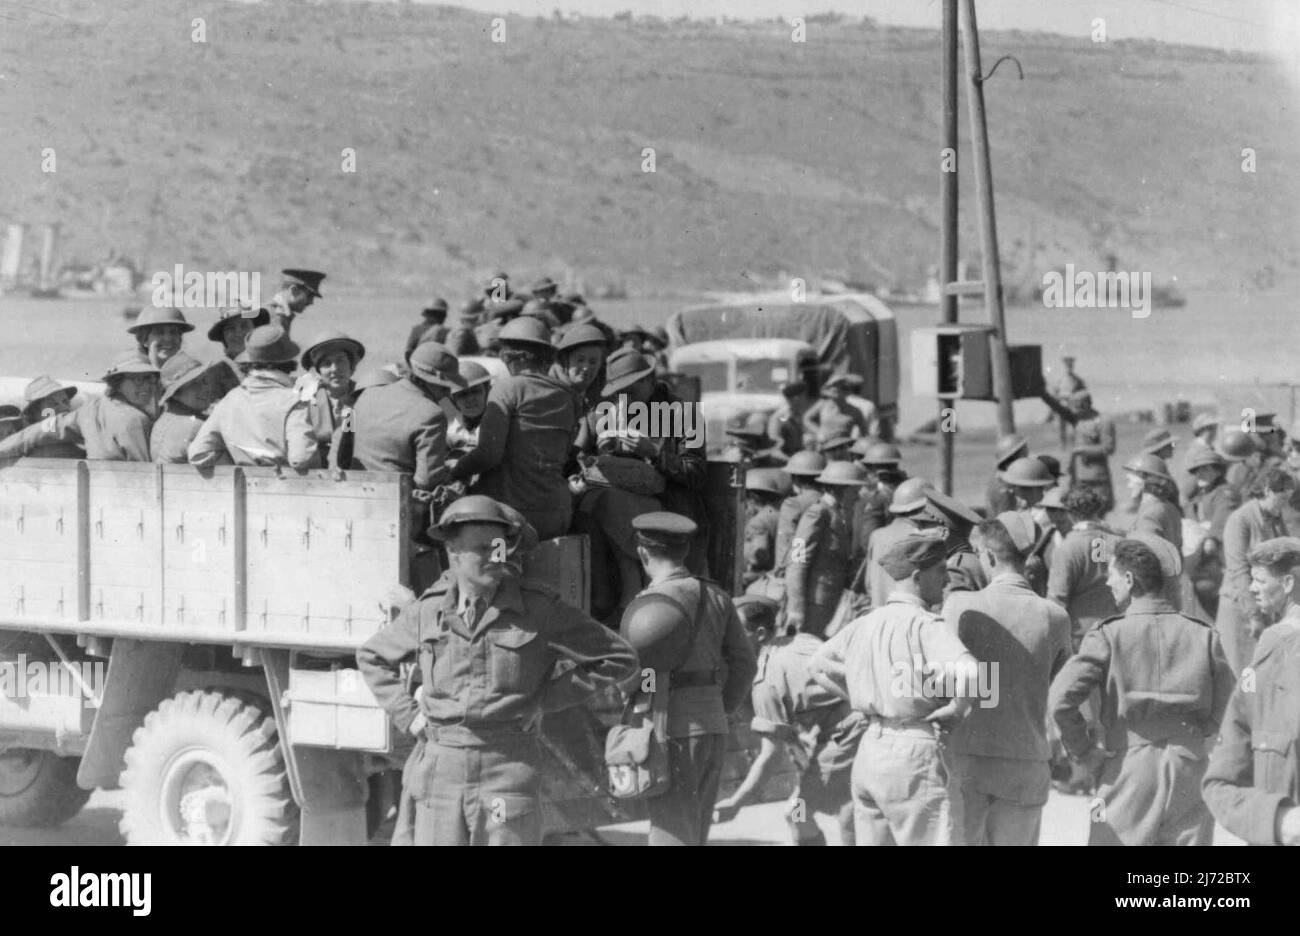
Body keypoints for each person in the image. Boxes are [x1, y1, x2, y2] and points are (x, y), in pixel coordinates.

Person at [357, 495, 638, 846]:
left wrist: (544, 701)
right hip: (440, 771)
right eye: (483, 549)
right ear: (454, 554)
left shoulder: (538, 608)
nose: (496, 557)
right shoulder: (428, 611)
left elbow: (618, 657)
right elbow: (372, 656)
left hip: (506, 771)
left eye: (500, 548)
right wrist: (408, 716)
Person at [1050, 537, 1234, 846]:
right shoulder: (1204, 635)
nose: (1108, 582)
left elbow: (1059, 700)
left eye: (1111, 574)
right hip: (1190, 764)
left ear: (1129, 579)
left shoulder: (1108, 634)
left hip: (1127, 766)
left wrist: (1083, 752)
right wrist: (1200, 734)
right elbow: (1229, 699)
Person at [809, 531, 979, 846]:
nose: (945, 580)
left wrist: (860, 698)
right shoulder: (926, 625)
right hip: (914, 750)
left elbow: (817, 665)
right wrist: (958, 707)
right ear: (917, 576)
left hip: (871, 748)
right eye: (940, 571)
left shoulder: (865, 622)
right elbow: (971, 671)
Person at [619, 512, 757, 846]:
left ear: (643, 553)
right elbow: (745, 664)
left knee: (671, 833)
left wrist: (635, 690)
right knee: (694, 831)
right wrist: (719, 709)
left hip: (670, 728)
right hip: (711, 725)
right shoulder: (717, 596)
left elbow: (641, 676)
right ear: (684, 552)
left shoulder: (647, 606)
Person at [941, 514, 1072, 845]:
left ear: (986, 555)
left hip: (967, 757)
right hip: (1026, 759)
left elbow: (940, 684)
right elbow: (1064, 693)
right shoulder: (1054, 617)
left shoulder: (958, 606)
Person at [713, 595, 865, 845]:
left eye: (733, 632)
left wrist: (736, 802)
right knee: (849, 809)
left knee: (797, 811)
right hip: (864, 722)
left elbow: (770, 755)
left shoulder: (767, 679)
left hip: (850, 732)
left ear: (760, 634)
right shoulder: (801, 640)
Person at [1202, 537, 1300, 845]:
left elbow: (1226, 768)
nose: (1252, 588)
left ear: (1287, 583)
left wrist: (1277, 819)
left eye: (1259, 580)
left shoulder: (1276, 643)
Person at [450, 317, 578, 540]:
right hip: (558, 515)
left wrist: (452, 471)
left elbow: (488, 455)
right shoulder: (567, 395)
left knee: (460, 531)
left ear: (511, 357)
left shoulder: (507, 388)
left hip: (514, 516)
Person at [352, 341, 464, 592]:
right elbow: (428, 480)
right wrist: (452, 470)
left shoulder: (368, 395)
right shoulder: (431, 413)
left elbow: (344, 440)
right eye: (445, 385)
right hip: (401, 513)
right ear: (430, 381)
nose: (447, 394)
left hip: (358, 502)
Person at [188, 325, 319, 470]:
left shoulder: (230, 399)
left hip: (241, 487)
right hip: (283, 488)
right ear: (288, 361)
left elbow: (198, 454)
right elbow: (301, 459)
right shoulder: (293, 400)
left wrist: (239, 463)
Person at [0, 351, 160, 462]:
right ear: (117, 382)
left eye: (149, 378)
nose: (146, 386)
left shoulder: (89, 411)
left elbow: (37, 432)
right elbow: (146, 476)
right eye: (137, 380)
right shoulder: (136, 420)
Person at [1216, 469, 1296, 674]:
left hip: (1266, 605)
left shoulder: (1274, 517)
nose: (1284, 505)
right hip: (1241, 609)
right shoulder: (1240, 520)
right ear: (1268, 491)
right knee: (1246, 674)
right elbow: (1238, 571)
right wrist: (1254, 616)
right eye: (1282, 499)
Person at [785, 462, 868, 637]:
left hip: (833, 603)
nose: (859, 496)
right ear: (841, 490)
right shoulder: (818, 513)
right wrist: (796, 608)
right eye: (855, 490)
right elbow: (797, 562)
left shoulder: (840, 514)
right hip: (814, 604)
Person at [1047, 486, 1122, 651]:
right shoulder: (1113, 541)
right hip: (1114, 626)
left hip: (1080, 634)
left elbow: (1057, 599)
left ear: (1069, 513)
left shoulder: (1067, 548)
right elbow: (1099, 564)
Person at [861, 477, 937, 608]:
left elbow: (869, 584)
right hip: (911, 619)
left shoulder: (877, 536)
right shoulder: (923, 539)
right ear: (924, 510)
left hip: (878, 618)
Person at [150, 353, 240, 463]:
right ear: (177, 393)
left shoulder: (161, 421)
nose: (205, 388)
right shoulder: (198, 427)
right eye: (194, 384)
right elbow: (229, 471)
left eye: (204, 381)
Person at [1183, 448, 1240, 618]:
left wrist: (1208, 535)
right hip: (1199, 558)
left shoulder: (1225, 493)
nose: (1200, 474)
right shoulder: (1202, 493)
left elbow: (1219, 527)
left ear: (1217, 470)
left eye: (1206, 469)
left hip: (1218, 559)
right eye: (1197, 470)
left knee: (1209, 594)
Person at [298, 330, 365, 469]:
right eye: (327, 363)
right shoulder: (306, 400)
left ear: (351, 366)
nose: (334, 369)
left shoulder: (364, 397)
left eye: (340, 361)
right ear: (319, 371)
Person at [1124, 453, 1182, 549]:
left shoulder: (1149, 515)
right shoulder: (1169, 506)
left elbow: (1145, 553)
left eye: (1131, 480)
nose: (1129, 486)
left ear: (1145, 481)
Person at [549, 322, 609, 413]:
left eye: (593, 362)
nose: (586, 367)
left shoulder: (601, 398)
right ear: (565, 361)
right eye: (580, 360)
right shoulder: (549, 394)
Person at [19, 376, 83, 458]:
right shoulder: (25, 452)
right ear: (34, 413)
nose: (64, 408)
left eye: (65, 401)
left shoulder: (84, 441)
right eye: (53, 404)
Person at [802, 374, 871, 450]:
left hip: (844, 448)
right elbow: (806, 418)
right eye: (834, 386)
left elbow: (865, 434)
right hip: (824, 446)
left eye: (841, 387)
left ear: (846, 391)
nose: (836, 390)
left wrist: (859, 446)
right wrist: (818, 432)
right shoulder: (823, 404)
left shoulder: (855, 411)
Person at [742, 469, 785, 587]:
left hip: (762, 580)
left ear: (751, 497)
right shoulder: (778, 514)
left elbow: (759, 554)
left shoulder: (758, 521)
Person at [446, 360, 494, 457]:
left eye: (475, 391)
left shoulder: (500, 426)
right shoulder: (449, 431)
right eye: (462, 394)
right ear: (453, 400)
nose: (470, 399)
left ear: (487, 391)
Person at [128, 306, 193, 369]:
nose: (168, 338)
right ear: (143, 339)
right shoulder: (133, 372)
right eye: (159, 332)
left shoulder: (191, 370)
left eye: (173, 332)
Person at [1177, 413, 1220, 500]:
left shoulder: (1207, 448)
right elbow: (1189, 486)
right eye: (1211, 428)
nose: (1215, 432)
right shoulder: (1196, 451)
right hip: (1196, 499)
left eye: (1214, 428)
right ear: (1202, 431)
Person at [268, 268, 325, 334]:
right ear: (294, 290)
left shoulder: (282, 314)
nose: (311, 302)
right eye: (309, 296)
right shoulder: (275, 317)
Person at [720, 412, 788, 467]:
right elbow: (758, 453)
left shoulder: (737, 439)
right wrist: (777, 446)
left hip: (760, 429)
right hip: (763, 440)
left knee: (759, 418)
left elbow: (759, 429)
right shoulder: (747, 454)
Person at [986, 434, 1028, 516]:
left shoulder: (1003, 477)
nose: (1027, 456)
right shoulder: (1005, 486)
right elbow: (1006, 522)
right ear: (1015, 456)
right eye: (1024, 451)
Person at [767, 381, 812, 456]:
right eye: (804, 396)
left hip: (796, 456)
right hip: (782, 459)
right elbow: (774, 446)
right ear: (796, 398)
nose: (806, 399)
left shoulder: (798, 415)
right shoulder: (779, 417)